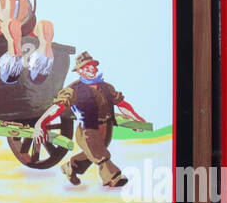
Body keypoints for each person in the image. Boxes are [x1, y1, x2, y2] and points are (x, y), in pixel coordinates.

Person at [33, 52, 147, 187]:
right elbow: (58, 107)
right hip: (88, 130)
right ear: (79, 71)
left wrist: (137, 119)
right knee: (101, 156)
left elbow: (122, 104)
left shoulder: (106, 87)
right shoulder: (73, 90)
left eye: (92, 66)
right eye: (86, 67)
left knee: (93, 154)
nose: (91, 69)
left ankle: (71, 166)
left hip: (106, 128)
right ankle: (114, 177)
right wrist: (41, 123)